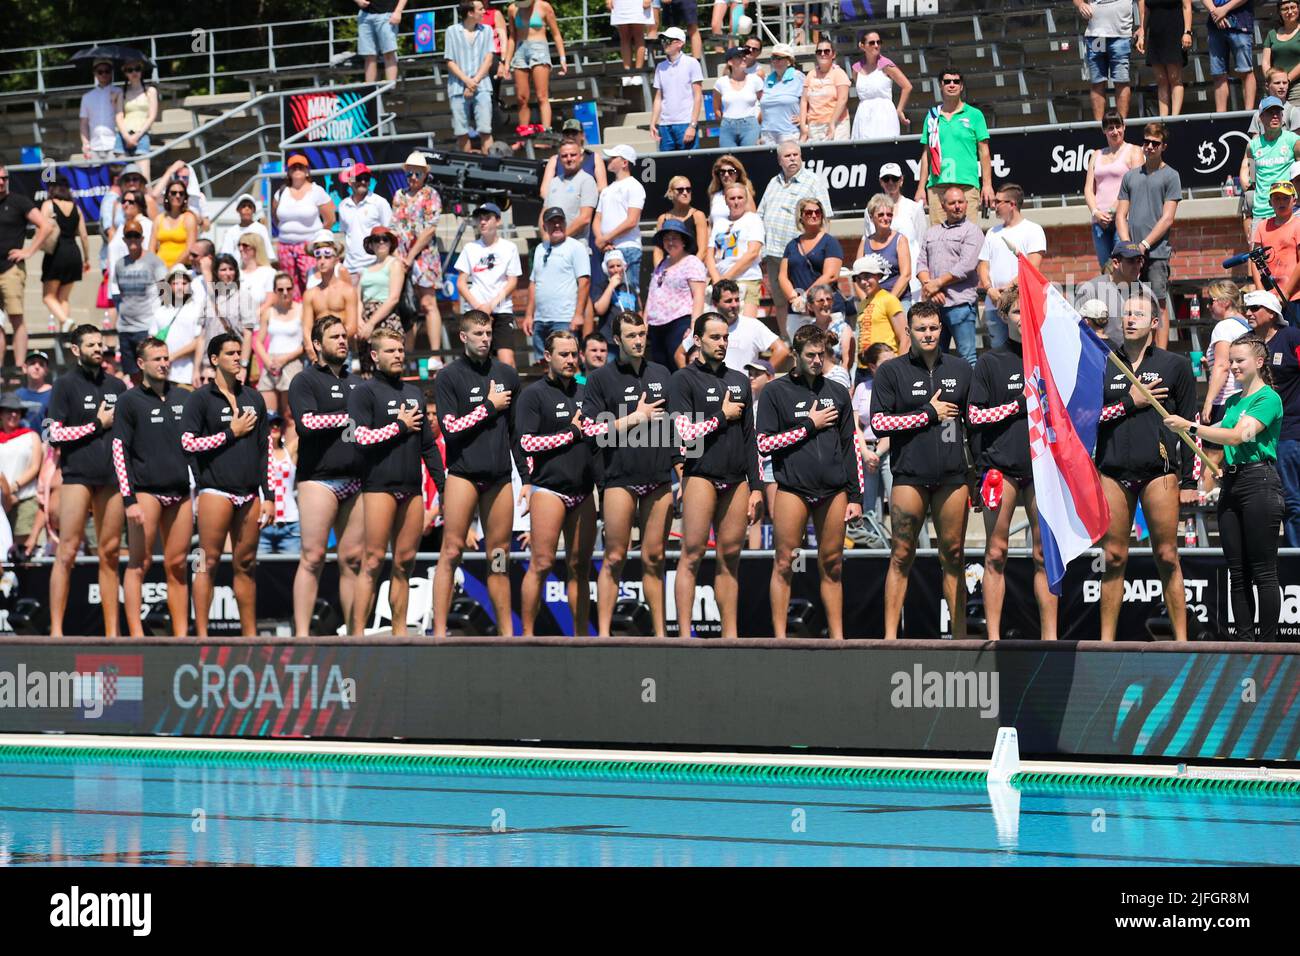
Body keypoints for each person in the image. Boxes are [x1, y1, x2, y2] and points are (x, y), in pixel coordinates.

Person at [1095, 292, 1198, 642]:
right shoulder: (1103, 362)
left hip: (1160, 472)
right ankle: (1105, 644)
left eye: (1138, 314)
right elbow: (1085, 419)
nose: (1130, 319)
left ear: (1154, 322)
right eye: (1125, 314)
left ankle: (1182, 640)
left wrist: (1189, 480)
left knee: (1168, 555)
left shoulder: (1175, 365)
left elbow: (1189, 424)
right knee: (1112, 556)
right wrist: (1129, 402)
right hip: (1111, 471)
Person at [1168, 336, 1284, 639]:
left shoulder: (1268, 398)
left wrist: (1190, 426)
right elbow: (1217, 436)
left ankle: (1269, 644)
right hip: (1232, 484)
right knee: (1237, 571)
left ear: (1259, 362)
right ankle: (1245, 642)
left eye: (1239, 360)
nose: (1232, 366)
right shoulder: (1233, 402)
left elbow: (1238, 437)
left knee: (1264, 571)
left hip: (1260, 483)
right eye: (1230, 360)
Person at [869, 301, 973, 640]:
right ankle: (888, 637)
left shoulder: (961, 368)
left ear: (941, 329)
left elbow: (973, 423)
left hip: (953, 477)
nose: (928, 334)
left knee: (954, 556)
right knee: (900, 554)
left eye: (933, 328)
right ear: (908, 332)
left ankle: (958, 637)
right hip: (909, 475)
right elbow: (879, 422)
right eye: (921, 329)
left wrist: (979, 472)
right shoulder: (891, 371)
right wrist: (927, 413)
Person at [758, 325, 862, 639]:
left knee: (832, 564)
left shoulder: (837, 392)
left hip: (833, 490)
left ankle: (838, 638)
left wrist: (855, 495)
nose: (817, 361)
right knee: (784, 560)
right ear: (795, 354)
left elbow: (849, 446)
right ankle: (779, 636)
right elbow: (764, 443)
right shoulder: (776, 391)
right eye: (810, 355)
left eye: (821, 355)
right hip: (792, 488)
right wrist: (808, 426)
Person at [967, 285, 1058, 641]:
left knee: (1042, 553)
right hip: (1000, 467)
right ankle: (993, 636)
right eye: (1017, 312)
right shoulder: (990, 361)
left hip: (1040, 467)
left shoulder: (1048, 358)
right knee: (996, 551)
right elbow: (974, 416)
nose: (1023, 318)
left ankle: (1050, 638)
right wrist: (1019, 405)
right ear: (1005, 317)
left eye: (1029, 311)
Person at [581, 311, 676, 637]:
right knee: (615, 555)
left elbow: (676, 428)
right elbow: (592, 432)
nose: (639, 341)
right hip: (619, 477)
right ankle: (604, 635)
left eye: (642, 334)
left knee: (655, 557)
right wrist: (636, 417)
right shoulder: (599, 379)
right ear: (617, 340)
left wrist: (682, 472)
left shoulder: (662, 372)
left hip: (659, 477)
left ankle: (662, 635)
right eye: (631, 336)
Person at [671, 313, 763, 638]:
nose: (722, 343)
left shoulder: (739, 380)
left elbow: (751, 436)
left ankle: (731, 637)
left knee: (730, 558)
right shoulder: (683, 380)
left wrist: (757, 487)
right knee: (693, 552)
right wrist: (721, 416)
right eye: (714, 337)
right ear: (697, 340)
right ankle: (683, 635)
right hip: (701, 474)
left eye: (725, 337)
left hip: (736, 478)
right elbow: (685, 433)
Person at [431, 310, 523, 637]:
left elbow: (516, 433)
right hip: (463, 475)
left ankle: (507, 634)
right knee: (452, 550)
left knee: (498, 556)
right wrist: (488, 406)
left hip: (499, 478)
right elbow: (451, 429)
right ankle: (439, 633)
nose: (485, 339)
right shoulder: (448, 377)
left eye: (488, 334)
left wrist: (525, 479)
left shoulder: (507, 374)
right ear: (463, 337)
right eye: (478, 334)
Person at [182, 334, 273, 637]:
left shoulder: (254, 398)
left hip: (249, 494)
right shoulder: (199, 399)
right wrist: (230, 433)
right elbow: (188, 443)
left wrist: (269, 495)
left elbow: (265, 451)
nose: (238, 357)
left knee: (246, 564)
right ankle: (202, 635)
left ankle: (250, 636)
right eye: (231, 353)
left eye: (239, 353)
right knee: (206, 561)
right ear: (214, 359)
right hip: (215, 490)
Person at [46, 325, 128, 638]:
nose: (98, 348)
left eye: (101, 343)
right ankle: (56, 631)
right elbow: (53, 433)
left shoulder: (118, 386)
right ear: (76, 350)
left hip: (110, 478)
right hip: (77, 475)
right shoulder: (64, 385)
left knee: (109, 554)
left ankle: (112, 633)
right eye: (91, 344)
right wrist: (96, 425)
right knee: (67, 551)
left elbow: (124, 436)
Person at [516, 330, 599, 636]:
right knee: (542, 562)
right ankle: (526, 635)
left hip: (584, 490)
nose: (570, 360)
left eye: (573, 354)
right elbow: (526, 443)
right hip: (549, 487)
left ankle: (581, 638)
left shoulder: (586, 392)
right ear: (547, 357)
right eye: (563, 354)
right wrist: (571, 434)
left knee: (580, 566)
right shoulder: (533, 395)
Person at [288, 315, 366, 636]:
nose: (342, 341)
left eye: (344, 336)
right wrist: (349, 416)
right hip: (318, 479)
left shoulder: (358, 383)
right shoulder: (304, 381)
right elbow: (307, 423)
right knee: (313, 556)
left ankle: (355, 633)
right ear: (317, 345)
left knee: (352, 559)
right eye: (334, 337)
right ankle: (303, 635)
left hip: (356, 480)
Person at [112, 337, 192, 637]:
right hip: (146, 491)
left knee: (178, 565)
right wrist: (129, 499)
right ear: (141, 364)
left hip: (181, 492)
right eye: (157, 359)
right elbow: (119, 451)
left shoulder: (184, 397)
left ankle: (182, 636)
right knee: (138, 563)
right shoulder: (129, 401)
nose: (164, 363)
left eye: (166, 358)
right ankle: (135, 636)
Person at [757, 141, 833, 332]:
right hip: (775, 254)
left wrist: (821, 249)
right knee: (781, 301)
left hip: (802, 256)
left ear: (801, 157)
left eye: (795, 155)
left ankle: (814, 338)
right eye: (787, 156)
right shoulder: (773, 182)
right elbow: (761, 214)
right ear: (779, 160)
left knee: (809, 299)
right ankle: (788, 341)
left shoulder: (813, 181)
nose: (792, 159)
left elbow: (825, 218)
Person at [1243, 290, 1300, 545]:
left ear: (1272, 312)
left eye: (1254, 308)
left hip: (1290, 432)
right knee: (1269, 504)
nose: (1248, 313)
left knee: (1292, 503)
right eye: (1247, 308)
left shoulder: (1291, 337)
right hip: (1258, 435)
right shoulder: (1246, 343)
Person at [1115, 122, 1181, 323]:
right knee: (1133, 303)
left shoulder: (1171, 176)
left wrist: (1144, 244)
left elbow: (1168, 218)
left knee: (1158, 303)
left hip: (1157, 253)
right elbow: (1120, 215)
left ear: (1164, 147)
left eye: (1155, 143)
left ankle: (1160, 352)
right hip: (1133, 255)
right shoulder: (1130, 176)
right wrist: (1129, 246)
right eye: (1146, 142)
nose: (1150, 146)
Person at [915, 186, 984, 367]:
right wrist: (929, 286)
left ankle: (974, 396)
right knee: (935, 357)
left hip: (960, 305)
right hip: (934, 307)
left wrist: (936, 284)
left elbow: (966, 265)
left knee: (967, 357)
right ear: (943, 206)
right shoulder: (931, 232)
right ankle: (940, 394)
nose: (957, 206)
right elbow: (921, 263)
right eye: (952, 203)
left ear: (966, 204)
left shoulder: (972, 231)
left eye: (960, 202)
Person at [914, 70, 994, 224]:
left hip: (967, 185)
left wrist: (987, 185)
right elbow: (926, 154)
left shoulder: (974, 114)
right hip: (938, 186)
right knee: (938, 239)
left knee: (967, 237)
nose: (952, 85)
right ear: (941, 85)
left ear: (962, 86)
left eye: (956, 81)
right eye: (947, 81)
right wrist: (920, 188)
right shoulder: (932, 116)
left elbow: (984, 152)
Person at [978, 183, 1046, 350]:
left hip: (1020, 307)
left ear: (1012, 204)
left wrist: (1007, 292)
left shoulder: (1033, 230)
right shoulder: (992, 232)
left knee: (1027, 351)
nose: (994, 205)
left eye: (998, 202)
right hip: (995, 304)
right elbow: (983, 265)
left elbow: (1032, 268)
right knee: (999, 353)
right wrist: (989, 289)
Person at [391, 151, 445, 364]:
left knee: (428, 303)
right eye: (410, 173)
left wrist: (410, 256)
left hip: (424, 257)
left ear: (424, 175)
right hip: (402, 257)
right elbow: (394, 228)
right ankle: (407, 356)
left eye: (417, 173)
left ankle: (435, 355)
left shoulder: (431, 194)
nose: (413, 177)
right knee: (407, 307)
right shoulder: (399, 195)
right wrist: (399, 256)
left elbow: (430, 229)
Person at [455, 202, 524, 367]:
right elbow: (461, 283)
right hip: (475, 312)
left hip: (501, 310)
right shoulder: (470, 248)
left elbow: (512, 282)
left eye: (487, 218)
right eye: (480, 219)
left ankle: (512, 393)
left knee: (507, 361)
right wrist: (479, 306)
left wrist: (492, 305)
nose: (483, 222)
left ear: (498, 221)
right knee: (476, 360)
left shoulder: (510, 247)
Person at [1199, 279, 1251, 492]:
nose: (1208, 307)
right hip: (1245, 397)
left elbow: (1222, 366)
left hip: (1226, 399)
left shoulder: (1223, 327)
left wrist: (1209, 401)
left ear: (1225, 302)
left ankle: (1203, 503)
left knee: (1211, 457)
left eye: (1211, 301)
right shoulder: (1245, 325)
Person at [524, 208, 591, 362]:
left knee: (569, 364)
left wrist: (579, 314)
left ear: (565, 223)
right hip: (540, 319)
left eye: (560, 221)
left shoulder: (576, 247)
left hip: (564, 318)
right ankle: (552, 387)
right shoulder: (540, 249)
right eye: (552, 222)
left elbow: (585, 281)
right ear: (544, 226)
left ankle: (582, 385)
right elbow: (533, 283)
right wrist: (529, 315)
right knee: (544, 363)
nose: (556, 225)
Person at [1085, 111, 1145, 267]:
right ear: (1104, 130)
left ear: (1124, 127)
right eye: (1110, 128)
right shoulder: (1096, 154)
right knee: (1106, 269)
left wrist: (1114, 211)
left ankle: (1128, 293)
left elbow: (1135, 186)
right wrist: (1096, 212)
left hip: (1124, 219)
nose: (1115, 131)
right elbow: (1088, 189)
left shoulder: (1134, 151)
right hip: (1099, 222)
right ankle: (1108, 293)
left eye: (1118, 126)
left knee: (1125, 267)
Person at [644, 219, 707, 369]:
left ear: (684, 241)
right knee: (659, 370)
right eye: (666, 238)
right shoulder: (662, 264)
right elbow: (652, 294)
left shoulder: (692, 262)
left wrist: (694, 326)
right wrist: (645, 322)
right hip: (656, 325)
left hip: (679, 322)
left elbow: (699, 295)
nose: (670, 242)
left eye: (674, 238)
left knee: (677, 365)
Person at [272, 156, 336, 299]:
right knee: (288, 286)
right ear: (288, 172)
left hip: (309, 247)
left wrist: (318, 238)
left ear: (307, 171)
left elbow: (330, 219)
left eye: (301, 167)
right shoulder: (281, 192)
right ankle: (295, 315)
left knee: (312, 282)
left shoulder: (316, 191)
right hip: (285, 247)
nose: (297, 170)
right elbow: (276, 217)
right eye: (293, 167)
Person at [108, 222, 166, 376]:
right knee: (131, 374)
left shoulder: (154, 261)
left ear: (142, 238)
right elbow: (119, 292)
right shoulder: (120, 264)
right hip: (126, 328)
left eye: (136, 235)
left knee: (149, 371)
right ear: (124, 239)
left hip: (146, 326)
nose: (133, 239)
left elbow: (166, 292)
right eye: (129, 236)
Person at [1073, 240, 1159, 344]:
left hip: (1136, 357)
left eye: (1139, 260)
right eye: (1131, 261)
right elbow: (1077, 327)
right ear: (1116, 263)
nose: (1136, 266)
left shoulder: (1147, 294)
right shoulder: (1091, 290)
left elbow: (1153, 332)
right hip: (1103, 356)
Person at [780, 197, 844, 335]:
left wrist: (804, 298)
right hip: (798, 312)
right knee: (801, 353)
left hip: (826, 309)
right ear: (801, 216)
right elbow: (782, 277)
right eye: (809, 212)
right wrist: (794, 299)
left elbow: (831, 275)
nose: (814, 215)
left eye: (818, 212)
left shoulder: (830, 242)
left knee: (830, 353)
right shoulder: (792, 245)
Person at [1242, 97, 1300, 242]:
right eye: (1270, 112)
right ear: (1261, 118)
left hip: (1289, 210)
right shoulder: (1252, 146)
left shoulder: (1294, 141)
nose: (1275, 116)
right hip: (1261, 212)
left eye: (1278, 112)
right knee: (1257, 258)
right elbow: (1253, 178)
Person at [38, 176, 91, 335]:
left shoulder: (48, 205)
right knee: (63, 298)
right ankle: (66, 333)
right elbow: (84, 236)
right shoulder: (76, 207)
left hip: (56, 253)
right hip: (74, 253)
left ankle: (66, 321)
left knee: (48, 296)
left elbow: (41, 229)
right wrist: (86, 258)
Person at [592, 145, 646, 297]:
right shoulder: (608, 190)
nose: (609, 160)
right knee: (611, 297)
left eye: (613, 157)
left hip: (627, 247)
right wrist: (601, 240)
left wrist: (604, 239)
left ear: (624, 162)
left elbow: (632, 221)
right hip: (609, 249)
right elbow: (597, 218)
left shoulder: (635, 186)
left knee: (629, 296)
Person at [506, 0, 567, 133]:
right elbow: (512, 36)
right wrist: (506, 61)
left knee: (542, 95)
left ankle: (546, 131)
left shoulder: (544, 6)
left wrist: (562, 57)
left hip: (539, 49)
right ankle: (523, 131)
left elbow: (556, 34)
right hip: (520, 50)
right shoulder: (512, 9)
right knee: (521, 97)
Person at [198, 254, 257, 390]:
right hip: (210, 365)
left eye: (231, 269)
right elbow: (202, 336)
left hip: (234, 363)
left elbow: (248, 335)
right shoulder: (209, 298)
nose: (228, 273)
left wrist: (243, 366)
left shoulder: (243, 296)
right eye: (223, 269)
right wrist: (197, 368)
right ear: (216, 273)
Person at [706, 183, 766, 317]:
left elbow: (752, 253)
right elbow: (710, 255)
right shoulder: (719, 223)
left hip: (746, 279)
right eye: (732, 198)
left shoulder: (753, 219)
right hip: (719, 282)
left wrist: (725, 279)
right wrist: (717, 280)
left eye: (740, 198)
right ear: (726, 201)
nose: (736, 202)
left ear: (746, 199)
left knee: (746, 327)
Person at [852, 342, 895, 525]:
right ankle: (873, 549)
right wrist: (865, 452)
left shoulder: (897, 387)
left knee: (896, 502)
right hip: (867, 452)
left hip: (888, 450)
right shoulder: (862, 388)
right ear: (872, 366)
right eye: (886, 362)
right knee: (870, 506)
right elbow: (855, 425)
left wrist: (877, 453)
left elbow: (894, 423)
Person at [446, 0, 496, 153]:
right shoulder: (452, 31)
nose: (484, 12)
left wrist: (473, 82)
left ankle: (490, 168)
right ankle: (466, 168)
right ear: (470, 12)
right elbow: (449, 61)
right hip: (457, 87)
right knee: (462, 133)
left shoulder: (487, 30)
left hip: (482, 86)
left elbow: (489, 58)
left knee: (485, 130)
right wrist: (467, 82)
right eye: (480, 9)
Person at [708, 278, 790, 372]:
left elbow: (782, 350)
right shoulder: (706, 326)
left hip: (745, 385)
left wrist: (763, 375)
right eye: (729, 301)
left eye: (737, 300)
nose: (734, 305)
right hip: (714, 385)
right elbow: (686, 349)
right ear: (715, 303)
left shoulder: (752, 325)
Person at [356, 225, 407, 373]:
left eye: (385, 239)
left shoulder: (394, 263)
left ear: (390, 243)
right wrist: (360, 321)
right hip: (366, 319)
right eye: (376, 239)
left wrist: (371, 323)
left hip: (387, 318)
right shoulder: (365, 268)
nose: (381, 242)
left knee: (389, 367)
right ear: (371, 244)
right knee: (368, 369)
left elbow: (393, 298)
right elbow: (358, 298)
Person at [300, 231, 358, 361]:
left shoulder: (347, 291)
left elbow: (352, 327)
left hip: (340, 350)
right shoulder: (310, 294)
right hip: (319, 352)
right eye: (318, 257)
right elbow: (306, 327)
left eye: (327, 256)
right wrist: (311, 350)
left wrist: (333, 341)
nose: (322, 261)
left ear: (336, 259)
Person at [1076, 0, 1137, 119]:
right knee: (1097, 81)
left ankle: (1121, 125)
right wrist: (1081, 5)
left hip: (1121, 35)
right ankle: (1100, 127)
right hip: (1096, 35)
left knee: (1121, 81)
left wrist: (1142, 28)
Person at [255, 272, 305, 416]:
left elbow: (305, 343)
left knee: (290, 415)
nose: (285, 293)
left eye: (288, 289)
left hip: (292, 361)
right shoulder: (269, 312)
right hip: (270, 360)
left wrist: (285, 359)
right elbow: (258, 341)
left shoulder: (301, 310)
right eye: (280, 290)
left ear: (293, 289)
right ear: (275, 291)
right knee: (269, 416)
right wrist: (267, 361)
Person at [1252, 181, 1300, 325]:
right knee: (1273, 342)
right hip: (1270, 300)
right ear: (1270, 202)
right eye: (1277, 198)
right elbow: (1255, 261)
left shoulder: (1298, 224)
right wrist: (1261, 294)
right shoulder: (1262, 226)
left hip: (1294, 297)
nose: (1281, 202)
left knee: (1295, 341)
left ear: (1294, 200)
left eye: (1286, 198)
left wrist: (1286, 292)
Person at [0, 393, 41, 562]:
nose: (13, 415)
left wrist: (14, 488)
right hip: (0, 505)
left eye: (17, 411)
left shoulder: (31, 436)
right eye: (9, 411)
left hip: (24, 500)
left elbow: (35, 467)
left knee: (23, 552)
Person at [149, 265, 205, 388]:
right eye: (175, 283)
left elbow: (198, 341)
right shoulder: (160, 311)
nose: (180, 287)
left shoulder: (196, 309)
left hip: (187, 375)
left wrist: (172, 356)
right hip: (162, 375)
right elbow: (152, 339)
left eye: (184, 283)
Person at [850, 30, 912, 141]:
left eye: (878, 42)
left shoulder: (886, 65)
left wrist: (899, 110)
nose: (876, 45)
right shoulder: (856, 69)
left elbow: (907, 86)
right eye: (872, 43)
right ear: (862, 46)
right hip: (863, 114)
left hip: (884, 114)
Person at [336, 164, 393, 281]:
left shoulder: (380, 203)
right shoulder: (343, 205)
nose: (363, 181)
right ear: (350, 181)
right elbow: (344, 235)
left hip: (375, 267)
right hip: (350, 268)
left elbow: (390, 233)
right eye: (358, 178)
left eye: (366, 178)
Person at [652, 27, 704, 152]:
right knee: (667, 167)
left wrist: (692, 125)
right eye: (663, 40)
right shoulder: (660, 66)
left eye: (668, 40)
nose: (665, 43)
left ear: (680, 43)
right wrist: (653, 123)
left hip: (685, 123)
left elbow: (698, 96)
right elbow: (658, 97)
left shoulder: (692, 63)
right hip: (665, 125)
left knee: (689, 166)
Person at [1139, 0, 1192, 115]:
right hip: (1155, 33)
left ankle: (1174, 118)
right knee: (1160, 79)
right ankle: (1163, 119)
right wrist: (1142, 33)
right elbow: (1145, 11)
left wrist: (1187, 32)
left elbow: (1186, 6)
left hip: (1175, 30)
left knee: (1175, 78)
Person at [862, 193, 913, 312]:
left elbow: (906, 275)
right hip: (872, 301)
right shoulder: (865, 242)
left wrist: (887, 302)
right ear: (871, 216)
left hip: (898, 299)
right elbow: (857, 274)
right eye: (881, 214)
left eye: (889, 214)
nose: (886, 218)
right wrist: (866, 301)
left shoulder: (900, 240)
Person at [852, 253, 907, 358]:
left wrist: (900, 368)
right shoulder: (862, 303)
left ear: (878, 276)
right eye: (858, 278)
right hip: (863, 368)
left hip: (885, 365)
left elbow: (905, 338)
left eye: (867, 276)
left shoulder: (889, 300)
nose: (863, 282)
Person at [542, 140, 599, 241]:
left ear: (581, 157)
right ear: (559, 159)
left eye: (573, 155)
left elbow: (585, 218)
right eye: (564, 156)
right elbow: (544, 213)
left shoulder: (587, 180)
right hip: (553, 247)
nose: (569, 159)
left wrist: (560, 237)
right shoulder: (554, 182)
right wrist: (545, 237)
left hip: (576, 246)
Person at [259, 415, 300, 555]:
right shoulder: (255, 454)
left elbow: (306, 431)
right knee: (259, 572)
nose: (275, 427)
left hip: (290, 523)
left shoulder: (289, 452)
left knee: (289, 572)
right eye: (270, 424)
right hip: (262, 523)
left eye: (278, 424)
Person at [1206, 0, 1257, 111]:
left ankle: (1248, 115)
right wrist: (1215, 13)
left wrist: (1224, 10)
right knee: (1218, 74)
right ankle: (1220, 117)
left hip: (1241, 23)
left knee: (1246, 71)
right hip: (1215, 25)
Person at [113, 58, 157, 178]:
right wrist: (127, 137)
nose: (134, 73)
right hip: (123, 137)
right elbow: (119, 116)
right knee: (122, 178)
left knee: (144, 178)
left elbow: (152, 116)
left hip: (142, 135)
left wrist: (137, 136)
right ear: (125, 73)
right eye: (130, 70)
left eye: (137, 69)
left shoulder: (150, 91)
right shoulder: (122, 93)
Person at [800, 39, 850, 143]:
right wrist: (802, 126)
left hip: (837, 124)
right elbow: (804, 101)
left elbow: (843, 99)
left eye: (827, 51)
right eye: (819, 51)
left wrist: (832, 123)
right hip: (814, 126)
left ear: (833, 54)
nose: (823, 54)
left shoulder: (839, 73)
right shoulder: (810, 74)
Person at [653, 177, 709, 267]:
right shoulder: (662, 218)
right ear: (671, 192)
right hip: (667, 271)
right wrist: (659, 272)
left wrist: (686, 271)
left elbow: (703, 250)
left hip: (691, 270)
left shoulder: (698, 216)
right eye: (680, 190)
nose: (685, 193)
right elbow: (658, 250)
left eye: (688, 189)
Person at [714, 47, 764, 148]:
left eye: (744, 56)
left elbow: (765, 103)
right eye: (739, 57)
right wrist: (724, 122)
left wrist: (757, 121)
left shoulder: (755, 80)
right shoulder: (721, 82)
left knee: (749, 158)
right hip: (727, 125)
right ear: (730, 62)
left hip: (750, 124)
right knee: (727, 159)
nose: (744, 59)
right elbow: (716, 108)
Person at [758, 44, 804, 146]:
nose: (775, 61)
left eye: (779, 58)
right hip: (767, 134)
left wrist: (804, 117)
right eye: (773, 58)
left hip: (789, 133)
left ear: (789, 61)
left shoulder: (798, 77)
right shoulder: (767, 79)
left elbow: (811, 100)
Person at [151, 178, 199, 271]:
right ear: (167, 196)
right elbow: (151, 248)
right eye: (173, 193)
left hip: (181, 269)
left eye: (181, 193)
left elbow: (190, 248)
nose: (177, 196)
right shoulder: (159, 218)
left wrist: (172, 268)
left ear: (185, 197)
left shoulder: (189, 218)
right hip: (160, 270)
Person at [592, 249, 640, 338]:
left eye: (618, 266)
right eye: (611, 267)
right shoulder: (601, 287)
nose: (616, 269)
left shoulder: (630, 289)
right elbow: (600, 310)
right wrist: (611, 286)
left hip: (629, 338)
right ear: (606, 269)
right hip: (609, 339)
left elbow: (639, 312)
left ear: (624, 267)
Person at [79, 59, 121, 161]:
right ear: (95, 73)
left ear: (111, 72)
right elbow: (83, 122)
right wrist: (85, 144)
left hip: (115, 145)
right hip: (94, 146)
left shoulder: (119, 92)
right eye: (100, 72)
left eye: (107, 71)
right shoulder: (87, 97)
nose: (104, 74)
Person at [356, 0, 406, 82]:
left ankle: (391, 87)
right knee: (369, 55)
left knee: (389, 52)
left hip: (387, 14)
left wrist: (398, 12)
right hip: (365, 16)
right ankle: (370, 90)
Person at [706, 154, 757, 231]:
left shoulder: (745, 192)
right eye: (722, 172)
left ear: (737, 174)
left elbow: (753, 222)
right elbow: (711, 224)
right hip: (717, 240)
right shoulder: (715, 196)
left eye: (731, 172)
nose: (726, 175)